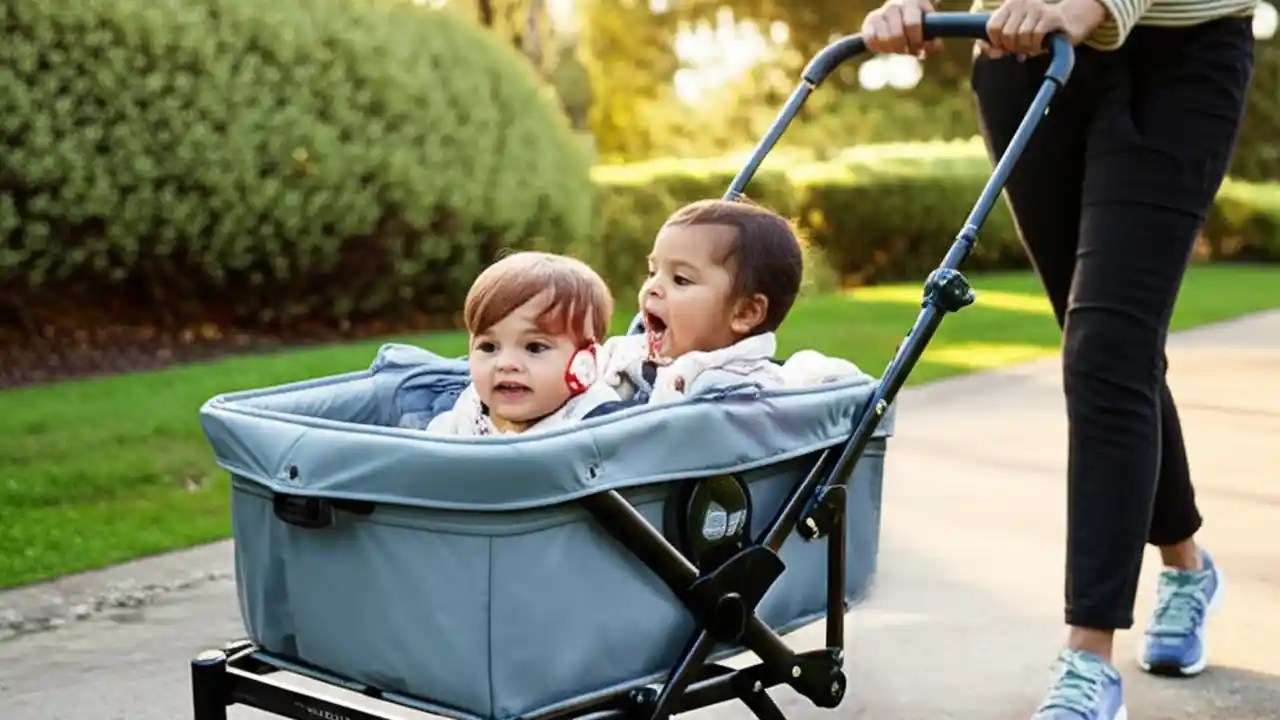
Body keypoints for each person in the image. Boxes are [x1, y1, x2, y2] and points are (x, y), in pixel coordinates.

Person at [859, 0, 1252, 717]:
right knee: (1104, 345)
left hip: (1179, 56)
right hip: (1022, 57)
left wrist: (1091, 5)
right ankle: (1188, 568)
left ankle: (1087, 659)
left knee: (1107, 345)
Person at [591, 198, 865, 413]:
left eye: (681, 280)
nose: (653, 287)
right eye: (653, 272)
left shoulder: (740, 394)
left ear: (745, 312)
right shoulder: (626, 354)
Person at [426, 251, 621, 436]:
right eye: (489, 347)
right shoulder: (469, 411)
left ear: (585, 363)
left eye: (534, 347)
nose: (505, 363)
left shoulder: (599, 425)